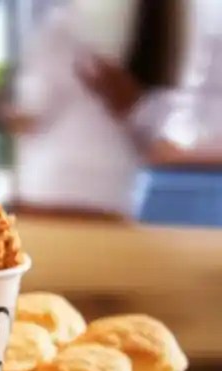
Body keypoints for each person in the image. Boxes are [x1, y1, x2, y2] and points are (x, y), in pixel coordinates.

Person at [9, 0, 181, 217]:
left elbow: (32, 109)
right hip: (115, 194)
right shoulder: (160, 24)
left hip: (49, 187)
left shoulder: (62, 26)